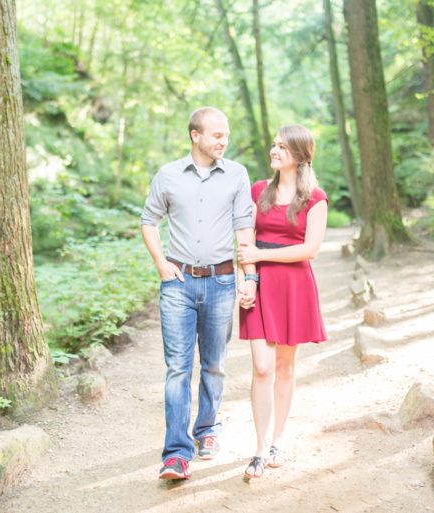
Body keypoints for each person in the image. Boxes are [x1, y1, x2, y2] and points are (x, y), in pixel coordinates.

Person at [140, 107, 257, 481]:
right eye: (217, 135)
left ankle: (207, 429)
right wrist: (160, 263)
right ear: (195, 135)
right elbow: (149, 220)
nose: (224, 141)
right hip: (178, 284)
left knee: (214, 364)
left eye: (226, 135)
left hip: (221, 282)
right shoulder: (168, 175)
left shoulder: (237, 174)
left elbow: (244, 229)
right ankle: (176, 454)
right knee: (178, 368)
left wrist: (250, 277)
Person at [237, 124, 328, 479]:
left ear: (300, 156)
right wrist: (249, 277)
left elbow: (311, 249)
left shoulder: (315, 198)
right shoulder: (258, 191)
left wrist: (261, 254)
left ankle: (278, 441)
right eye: (274, 145)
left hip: (294, 286)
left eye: (282, 147)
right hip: (260, 285)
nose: (274, 151)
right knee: (262, 367)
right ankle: (259, 448)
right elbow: (245, 242)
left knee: (285, 368)